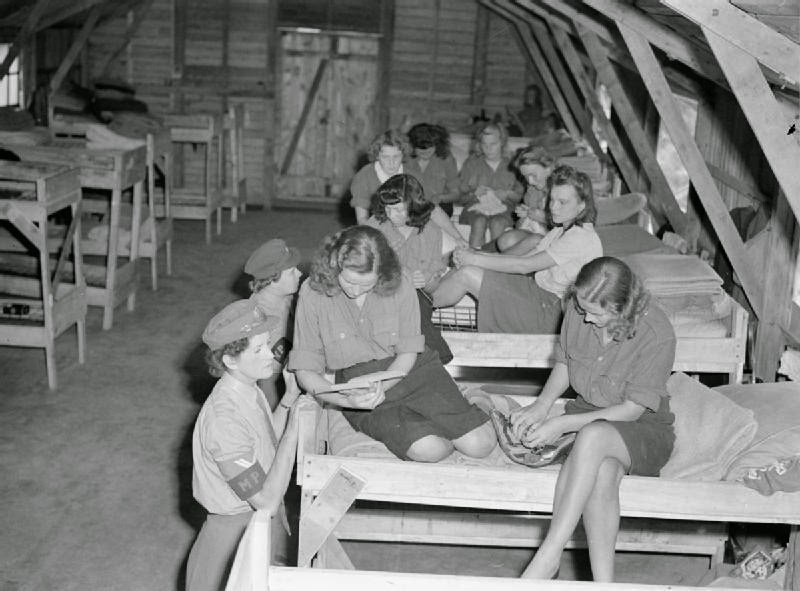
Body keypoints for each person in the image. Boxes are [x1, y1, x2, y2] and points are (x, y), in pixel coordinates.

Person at [509, 257, 676, 581]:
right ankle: (603, 585)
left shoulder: (656, 333)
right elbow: (565, 363)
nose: (585, 318)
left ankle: (549, 555)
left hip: (642, 428)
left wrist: (560, 424)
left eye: (596, 314)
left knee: (593, 435)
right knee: (603, 473)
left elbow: (632, 410)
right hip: (588, 415)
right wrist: (542, 406)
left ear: (622, 308)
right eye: (582, 308)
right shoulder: (579, 308)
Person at [287, 225, 495, 462]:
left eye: (367, 284)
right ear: (334, 264)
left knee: (481, 445)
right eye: (349, 281)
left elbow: (408, 353)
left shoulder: (400, 280)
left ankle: (477, 399)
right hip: (359, 384)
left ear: (382, 272)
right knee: (431, 451)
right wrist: (346, 400)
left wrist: (382, 386)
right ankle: (437, 423)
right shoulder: (312, 292)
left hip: (413, 370)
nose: (356, 291)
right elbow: (305, 371)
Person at [185, 300, 301, 591]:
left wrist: (288, 402)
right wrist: (293, 433)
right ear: (230, 360)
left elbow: (265, 440)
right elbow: (266, 502)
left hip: (259, 522)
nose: (270, 355)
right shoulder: (224, 420)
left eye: (267, 344)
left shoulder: (247, 387)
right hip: (234, 534)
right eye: (258, 349)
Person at [433, 164, 602, 334]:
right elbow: (523, 258)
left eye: (562, 202)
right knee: (466, 267)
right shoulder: (561, 230)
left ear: (582, 205)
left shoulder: (580, 237)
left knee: (466, 274)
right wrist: (474, 255)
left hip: (552, 314)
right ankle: (425, 298)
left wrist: (475, 259)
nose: (553, 207)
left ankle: (421, 307)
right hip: (538, 295)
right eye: (552, 200)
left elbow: (524, 266)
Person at [367, 174, 452, 364]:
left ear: (414, 206)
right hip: (379, 292)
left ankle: (426, 358)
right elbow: (362, 267)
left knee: (414, 300)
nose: (391, 215)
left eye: (398, 210)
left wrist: (425, 279)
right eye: (387, 208)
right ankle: (437, 357)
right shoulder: (374, 226)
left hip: (417, 297)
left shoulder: (431, 231)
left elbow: (433, 278)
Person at [351, 129, 466, 247]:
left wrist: (457, 237)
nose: (391, 162)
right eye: (385, 157)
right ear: (376, 155)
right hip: (377, 228)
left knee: (440, 239)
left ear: (403, 154)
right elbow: (362, 219)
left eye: (396, 156)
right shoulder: (364, 176)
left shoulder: (412, 175)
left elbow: (432, 209)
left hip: (407, 226)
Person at [245, 239, 303, 409]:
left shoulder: (286, 294)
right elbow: (265, 381)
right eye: (292, 272)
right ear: (272, 280)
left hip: (288, 352)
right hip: (272, 372)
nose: (300, 273)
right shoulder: (260, 318)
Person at [457, 122, 523, 249]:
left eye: (493, 144)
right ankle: (472, 257)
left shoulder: (513, 165)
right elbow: (460, 197)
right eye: (484, 144)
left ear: (502, 142)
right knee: (479, 221)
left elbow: (521, 197)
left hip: (505, 209)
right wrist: (473, 194)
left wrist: (507, 194)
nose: (488, 148)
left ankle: (494, 258)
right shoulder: (471, 164)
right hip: (475, 210)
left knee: (497, 223)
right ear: (479, 144)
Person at [497, 145, 556, 254]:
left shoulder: (564, 187)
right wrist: (525, 215)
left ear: (548, 168)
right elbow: (521, 225)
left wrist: (545, 218)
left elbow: (572, 225)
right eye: (525, 176)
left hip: (558, 240)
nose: (530, 181)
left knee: (533, 241)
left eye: (533, 175)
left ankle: (495, 260)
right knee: (505, 241)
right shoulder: (533, 189)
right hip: (537, 234)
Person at [405, 123, 460, 217]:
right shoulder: (406, 159)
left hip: (439, 206)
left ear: (437, 144)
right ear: (412, 147)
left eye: (429, 148)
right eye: (420, 149)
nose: (425, 151)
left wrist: (440, 198)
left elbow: (456, 194)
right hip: (411, 205)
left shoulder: (446, 159)